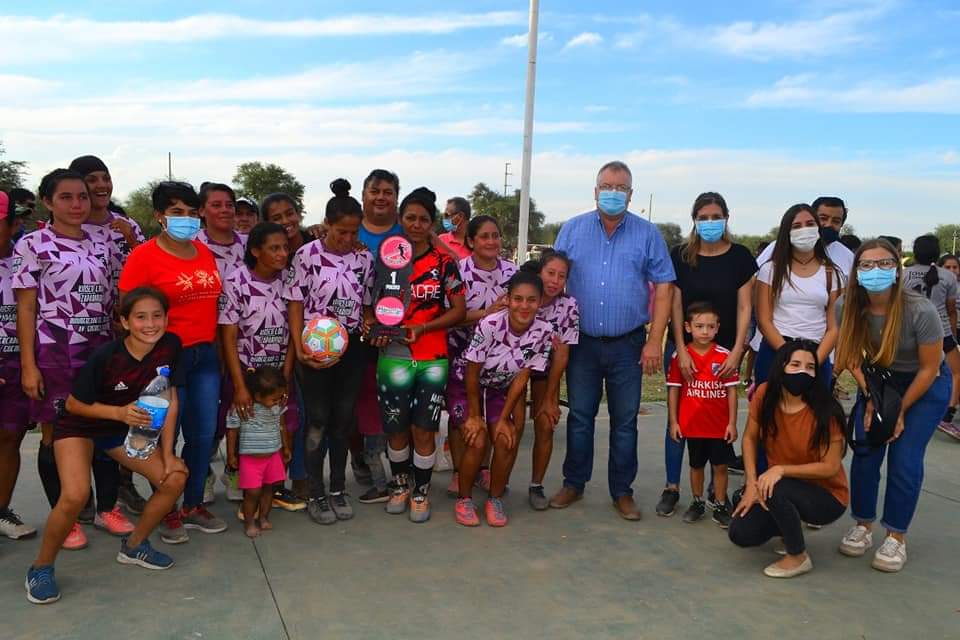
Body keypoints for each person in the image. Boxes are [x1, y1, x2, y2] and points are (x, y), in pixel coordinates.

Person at [24, 288, 188, 604]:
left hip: (119, 430)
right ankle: (41, 568)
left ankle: (134, 546)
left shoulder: (171, 345)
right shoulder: (106, 357)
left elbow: (170, 399)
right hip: (81, 425)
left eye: (157, 316)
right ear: (125, 322)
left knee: (175, 477)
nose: (150, 324)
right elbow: (73, 405)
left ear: (167, 318)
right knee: (75, 495)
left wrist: (167, 456)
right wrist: (118, 412)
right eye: (140, 317)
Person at [550, 160, 675, 519]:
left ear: (631, 194)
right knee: (580, 416)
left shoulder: (648, 234)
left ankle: (622, 491)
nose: (613, 193)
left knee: (624, 422)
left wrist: (654, 341)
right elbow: (554, 282)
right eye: (607, 186)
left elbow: (665, 287)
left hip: (628, 343)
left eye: (620, 189)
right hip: (582, 342)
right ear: (595, 191)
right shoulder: (571, 231)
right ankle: (573, 483)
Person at [14, 169, 122, 550]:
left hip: (101, 351)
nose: (77, 204)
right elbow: (25, 309)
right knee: (55, 434)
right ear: (48, 202)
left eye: (82, 197)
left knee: (106, 428)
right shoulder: (32, 245)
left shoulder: (104, 241)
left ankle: (108, 507)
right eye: (66, 197)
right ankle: (69, 517)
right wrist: (29, 364)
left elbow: (114, 299)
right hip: (56, 351)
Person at [119, 181, 227, 542]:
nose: (186, 219)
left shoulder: (204, 252)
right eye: (176, 212)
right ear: (159, 216)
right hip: (165, 358)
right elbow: (128, 311)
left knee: (202, 434)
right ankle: (165, 507)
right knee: (162, 435)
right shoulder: (143, 257)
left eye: (191, 212)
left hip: (205, 355)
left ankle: (192, 505)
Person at [835, 239, 950, 572]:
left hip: (925, 385)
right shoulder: (846, 305)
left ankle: (896, 536)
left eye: (885, 264)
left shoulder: (919, 309)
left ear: (898, 268)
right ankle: (862, 525)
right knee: (868, 451)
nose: (876, 271)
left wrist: (898, 411)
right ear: (856, 271)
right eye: (867, 265)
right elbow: (851, 356)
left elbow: (930, 368)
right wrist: (873, 399)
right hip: (879, 382)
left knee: (904, 457)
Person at [367, 187, 466, 523]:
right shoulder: (386, 258)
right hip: (393, 356)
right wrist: (375, 329)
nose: (416, 224)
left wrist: (424, 329)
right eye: (410, 217)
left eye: (424, 219)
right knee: (395, 429)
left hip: (432, 358)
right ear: (400, 219)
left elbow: (459, 311)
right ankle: (400, 485)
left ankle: (420, 492)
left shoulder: (444, 264)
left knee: (424, 430)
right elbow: (371, 304)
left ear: (432, 223)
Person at [655, 192, 756, 518]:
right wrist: (681, 349)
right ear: (694, 219)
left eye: (716, 216)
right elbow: (675, 303)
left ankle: (717, 492)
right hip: (686, 349)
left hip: (724, 351)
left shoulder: (740, 256)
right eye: (704, 217)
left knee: (715, 420)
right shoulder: (681, 255)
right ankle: (673, 487)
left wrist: (739, 350)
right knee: (682, 419)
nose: (710, 222)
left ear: (727, 217)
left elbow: (745, 306)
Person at [285, 179, 375, 524]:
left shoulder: (363, 258)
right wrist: (300, 345)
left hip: (350, 349)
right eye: (341, 232)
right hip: (314, 350)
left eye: (354, 232)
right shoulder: (306, 256)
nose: (348, 239)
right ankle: (315, 492)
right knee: (317, 420)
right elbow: (295, 303)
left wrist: (367, 322)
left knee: (343, 420)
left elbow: (366, 303)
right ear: (326, 225)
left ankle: (338, 489)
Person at [69, 155, 149, 517]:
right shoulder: (64, 229)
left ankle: (122, 486)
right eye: (92, 180)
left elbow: (148, 270)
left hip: (122, 338)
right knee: (76, 416)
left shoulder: (127, 225)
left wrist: (131, 240)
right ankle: (77, 494)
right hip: (72, 341)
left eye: (106, 177)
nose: (101, 185)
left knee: (121, 414)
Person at [728, 340, 848, 578]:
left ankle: (798, 555)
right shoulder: (764, 394)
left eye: (810, 367)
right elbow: (750, 439)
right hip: (783, 484)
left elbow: (830, 467)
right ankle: (788, 523)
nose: (803, 371)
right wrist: (751, 483)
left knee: (776, 488)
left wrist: (781, 469)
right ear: (781, 366)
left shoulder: (826, 410)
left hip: (828, 496)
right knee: (740, 532)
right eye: (795, 364)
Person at [454, 271, 554, 526]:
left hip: (500, 390)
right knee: (477, 440)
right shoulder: (491, 324)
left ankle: (494, 499)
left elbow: (522, 377)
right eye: (518, 298)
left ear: (540, 301)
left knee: (505, 439)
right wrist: (476, 416)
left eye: (531, 300)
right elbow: (472, 371)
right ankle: (464, 499)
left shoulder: (544, 331)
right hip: (466, 384)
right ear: (508, 299)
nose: (524, 305)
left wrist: (504, 418)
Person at [218, 222, 298, 505]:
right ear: (255, 250)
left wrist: (286, 375)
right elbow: (228, 335)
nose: (281, 254)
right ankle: (240, 480)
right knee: (245, 427)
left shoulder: (290, 279)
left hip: (278, 373)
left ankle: (272, 488)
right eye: (274, 248)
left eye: (285, 247)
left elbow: (293, 331)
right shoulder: (236, 281)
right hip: (248, 372)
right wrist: (239, 385)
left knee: (281, 426)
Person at [444, 215, 517, 496]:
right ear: (471, 241)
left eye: (495, 235)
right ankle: (460, 471)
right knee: (460, 415)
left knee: (490, 412)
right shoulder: (457, 272)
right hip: (462, 354)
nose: (491, 241)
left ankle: (483, 469)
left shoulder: (513, 273)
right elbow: (448, 316)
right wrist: (486, 314)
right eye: (484, 236)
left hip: (500, 358)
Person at [667, 302, 740, 527]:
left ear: (718, 328)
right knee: (696, 465)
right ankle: (697, 501)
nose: (705, 331)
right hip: (693, 424)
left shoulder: (725, 356)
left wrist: (732, 423)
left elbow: (732, 391)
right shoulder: (681, 357)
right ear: (688, 327)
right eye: (699, 326)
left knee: (720, 466)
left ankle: (719, 504)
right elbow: (674, 390)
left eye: (710, 326)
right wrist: (673, 422)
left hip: (718, 426)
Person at [754, 204, 840, 385]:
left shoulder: (833, 273)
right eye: (797, 226)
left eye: (810, 224)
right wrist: (789, 356)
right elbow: (764, 320)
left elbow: (835, 327)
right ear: (787, 231)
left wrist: (813, 360)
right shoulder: (770, 269)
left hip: (817, 353)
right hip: (776, 352)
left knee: (814, 412)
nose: (804, 230)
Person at [525, 251, 579, 510]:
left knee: (545, 423)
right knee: (508, 428)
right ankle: (492, 480)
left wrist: (550, 399)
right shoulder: (524, 297)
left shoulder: (568, 306)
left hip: (547, 372)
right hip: (515, 370)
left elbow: (562, 353)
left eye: (562, 276)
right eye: (550, 273)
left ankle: (536, 485)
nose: (555, 281)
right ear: (539, 273)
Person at [0, 191, 37, 540]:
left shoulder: (26, 260)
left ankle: (1, 511)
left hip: (17, 362)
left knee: (10, 437)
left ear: (14, 225)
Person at [902, 236, 960, 436]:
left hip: (911, 332)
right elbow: (951, 309)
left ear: (915, 252)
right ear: (937, 253)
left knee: (914, 370)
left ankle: (906, 406)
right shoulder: (948, 276)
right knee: (955, 373)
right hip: (941, 332)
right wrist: (953, 333)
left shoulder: (905, 274)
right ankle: (947, 415)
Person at [226, 366, 291, 538]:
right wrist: (231, 454)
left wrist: (285, 446)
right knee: (252, 493)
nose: (278, 401)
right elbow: (232, 430)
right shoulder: (243, 407)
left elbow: (281, 425)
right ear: (257, 395)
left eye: (280, 397)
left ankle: (263, 517)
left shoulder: (277, 407)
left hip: (273, 456)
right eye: (274, 399)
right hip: (250, 459)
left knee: (269, 489)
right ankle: (249, 522)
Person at [755, 196, 854, 277]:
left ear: (841, 224)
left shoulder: (848, 258)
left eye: (836, 221)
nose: (828, 224)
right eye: (823, 218)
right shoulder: (778, 247)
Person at [198, 182, 245, 281]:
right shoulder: (189, 244)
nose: (225, 210)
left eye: (229, 205)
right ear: (201, 211)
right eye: (216, 205)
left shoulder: (250, 243)